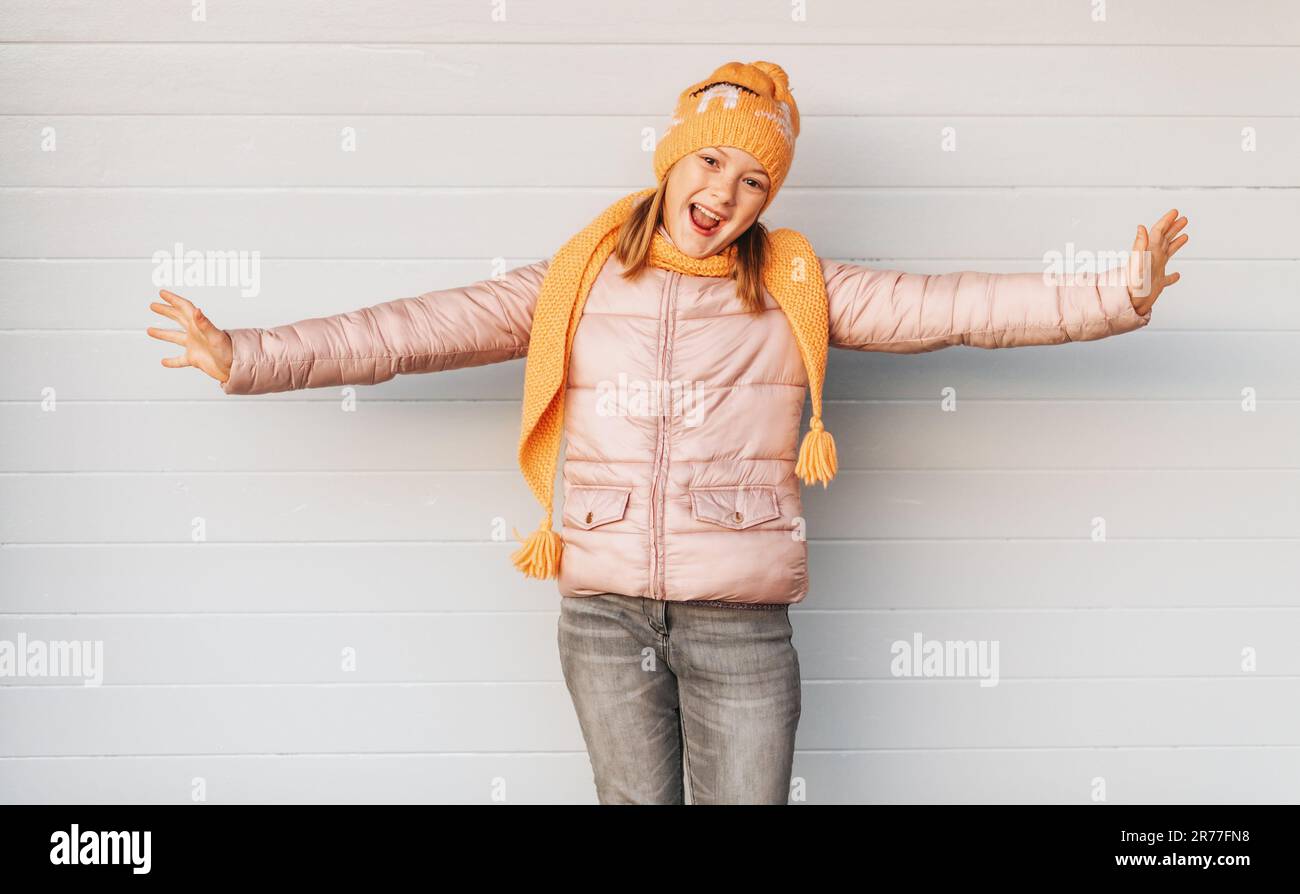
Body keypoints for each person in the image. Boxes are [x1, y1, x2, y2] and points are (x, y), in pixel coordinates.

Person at [147, 60, 1188, 805]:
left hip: (738, 626)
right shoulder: (575, 280)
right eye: (712, 166)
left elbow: (956, 308)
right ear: (672, 163)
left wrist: (1115, 295)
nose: (725, 195)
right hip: (601, 617)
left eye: (755, 181)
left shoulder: (794, 287)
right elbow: (412, 329)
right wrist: (249, 355)